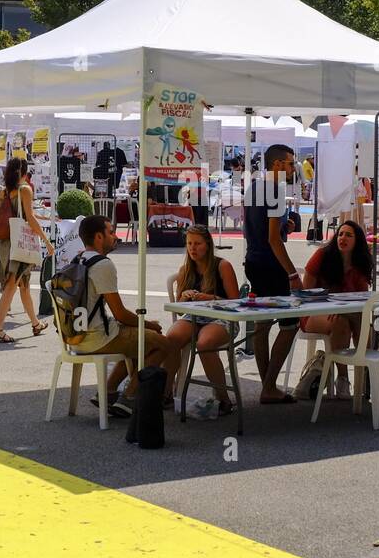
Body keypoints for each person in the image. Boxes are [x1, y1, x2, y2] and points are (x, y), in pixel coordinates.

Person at [68, 215, 176, 418]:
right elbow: (121, 314)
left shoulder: (77, 259)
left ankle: (107, 392)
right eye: (110, 232)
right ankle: (130, 395)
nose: (115, 236)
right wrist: (150, 324)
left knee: (138, 339)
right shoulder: (102, 264)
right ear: (99, 237)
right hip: (95, 338)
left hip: (74, 337)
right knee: (162, 343)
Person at [244, 143, 300, 404]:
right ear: (277, 164)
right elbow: (273, 241)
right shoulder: (275, 191)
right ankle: (269, 385)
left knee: (262, 325)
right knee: (290, 324)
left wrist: (283, 228)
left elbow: (256, 230)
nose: (293, 168)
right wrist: (291, 273)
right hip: (270, 264)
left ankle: (268, 383)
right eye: (290, 163)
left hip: (253, 260)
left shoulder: (254, 186)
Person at [0, 158, 53, 343]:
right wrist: (47, 242)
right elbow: (31, 219)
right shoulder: (25, 190)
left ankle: (35, 323)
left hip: (4, 245)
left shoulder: (0, 194)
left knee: (23, 286)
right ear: (24, 174)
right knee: (12, 286)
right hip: (19, 244)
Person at [164, 224, 239, 415]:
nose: (192, 248)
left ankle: (223, 398)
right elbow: (180, 308)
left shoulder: (222, 266)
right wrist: (185, 297)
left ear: (208, 245)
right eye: (189, 243)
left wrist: (210, 298)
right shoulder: (185, 270)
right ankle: (166, 393)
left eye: (197, 243)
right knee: (171, 338)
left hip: (222, 317)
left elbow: (236, 303)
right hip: (194, 316)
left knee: (205, 343)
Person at [301, 221, 374, 399]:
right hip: (313, 312)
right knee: (342, 322)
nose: (342, 238)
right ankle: (345, 379)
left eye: (349, 235)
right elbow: (306, 293)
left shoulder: (360, 263)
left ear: (358, 241)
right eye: (340, 234)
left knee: (361, 323)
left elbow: (362, 298)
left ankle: (366, 372)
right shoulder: (323, 255)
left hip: (346, 314)